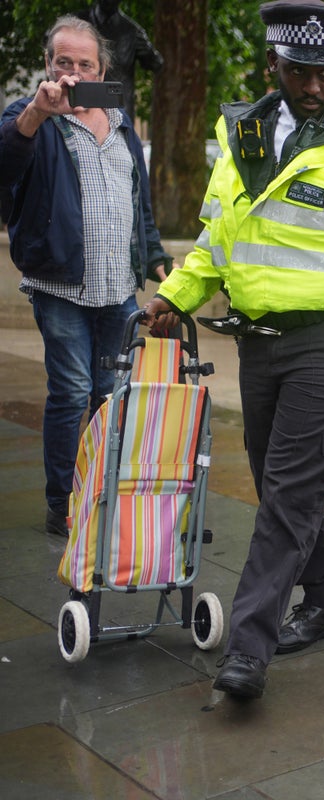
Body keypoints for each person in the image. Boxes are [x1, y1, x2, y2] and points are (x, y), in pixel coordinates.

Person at [142, 0, 324, 700]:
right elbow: (216, 242)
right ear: (273, 63)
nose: (313, 87)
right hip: (260, 342)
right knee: (285, 485)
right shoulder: (240, 131)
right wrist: (175, 296)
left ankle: (249, 647)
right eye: (300, 72)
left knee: (288, 495)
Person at [0, 15, 171, 539]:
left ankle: (101, 491)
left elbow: (139, 205)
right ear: (48, 65)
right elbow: (5, 167)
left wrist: (156, 259)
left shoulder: (122, 123)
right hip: (60, 285)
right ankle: (61, 502)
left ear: (103, 69)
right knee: (72, 393)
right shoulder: (28, 116)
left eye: (85, 64)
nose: (73, 73)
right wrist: (37, 112)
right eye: (63, 62)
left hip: (118, 288)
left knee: (110, 395)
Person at [72, 1, 163, 119]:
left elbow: (156, 64)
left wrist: (148, 53)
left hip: (119, 113)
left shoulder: (132, 32)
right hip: (81, 109)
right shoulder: (74, 23)